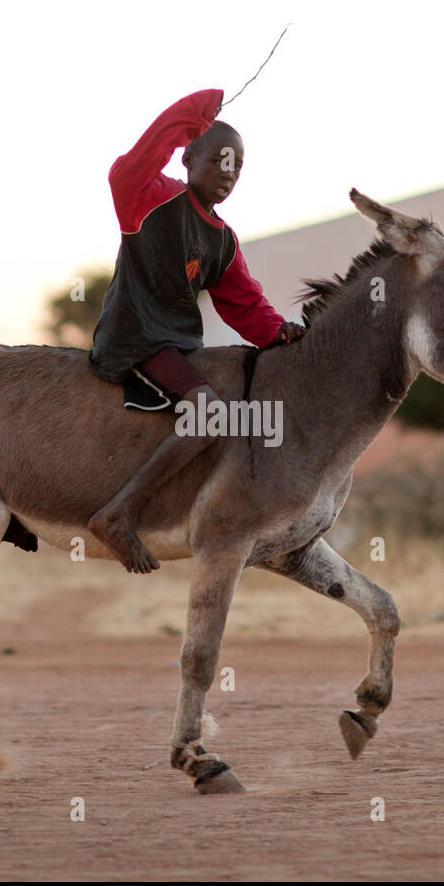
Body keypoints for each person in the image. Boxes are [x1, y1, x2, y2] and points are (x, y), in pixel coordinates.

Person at [87, 88, 305, 573]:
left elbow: (245, 304)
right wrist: (193, 114)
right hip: (135, 339)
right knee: (209, 413)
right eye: (219, 160)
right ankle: (118, 514)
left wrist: (279, 332)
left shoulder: (223, 239)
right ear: (187, 159)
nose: (228, 172)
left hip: (182, 346)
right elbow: (127, 169)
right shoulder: (149, 198)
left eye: (237, 166)